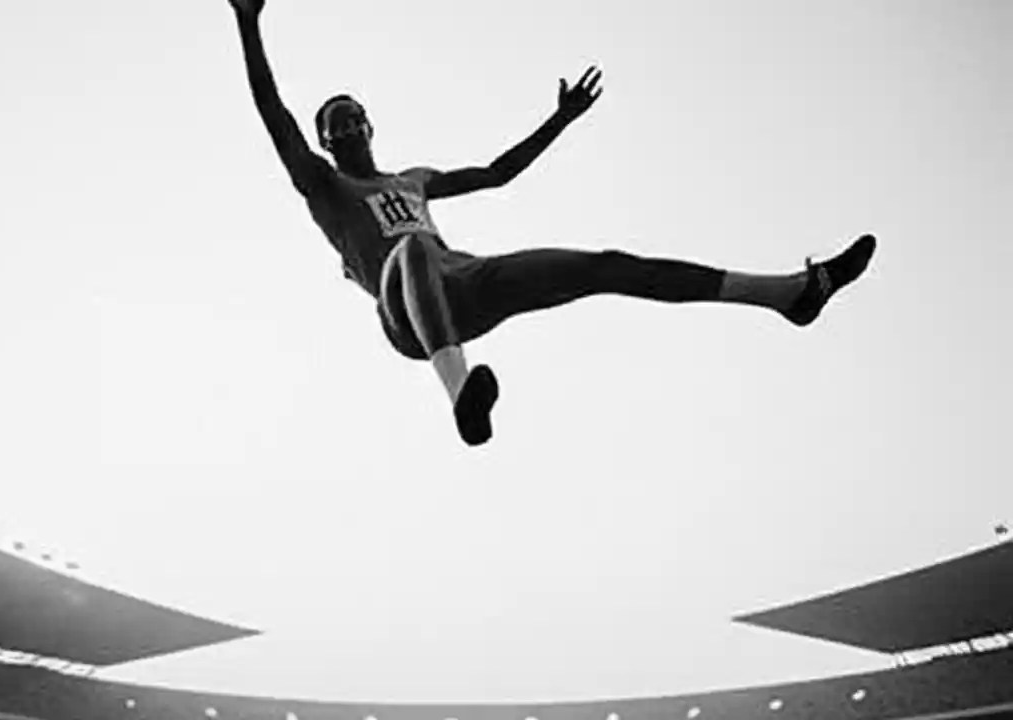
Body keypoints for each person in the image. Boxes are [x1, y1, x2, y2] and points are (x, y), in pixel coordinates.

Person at [227, 0, 877, 447]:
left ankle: (790, 293)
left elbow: (498, 173)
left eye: (352, 114)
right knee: (410, 253)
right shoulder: (324, 186)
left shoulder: (415, 180)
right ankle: (460, 397)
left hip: (468, 286)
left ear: (371, 126)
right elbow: (270, 109)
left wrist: (561, 119)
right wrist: (248, 22)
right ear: (324, 141)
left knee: (605, 266)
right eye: (331, 122)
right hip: (408, 316)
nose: (343, 124)